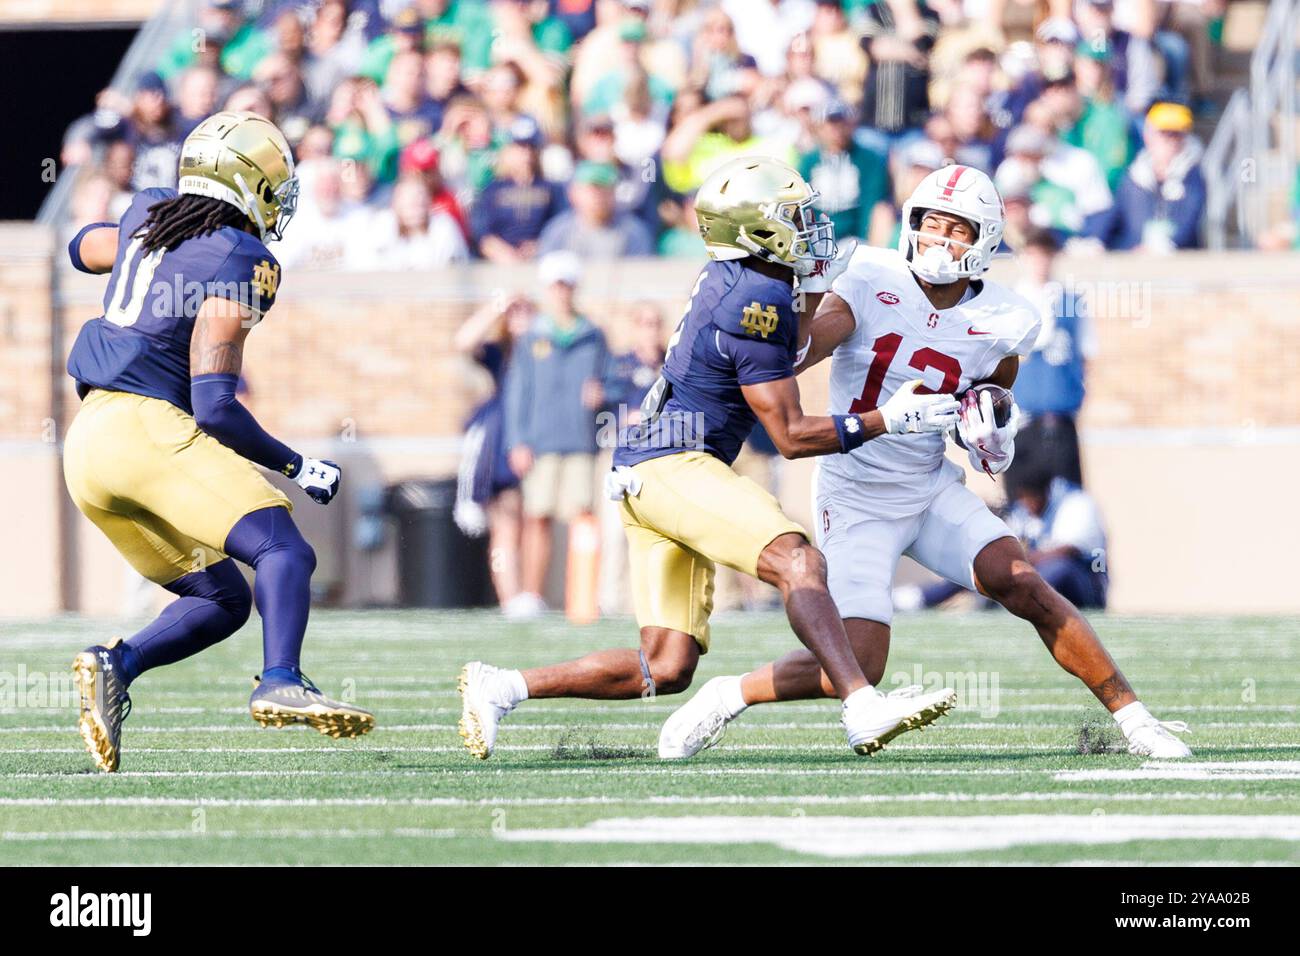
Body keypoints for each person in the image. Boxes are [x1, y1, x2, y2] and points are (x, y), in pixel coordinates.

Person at [659, 163, 1192, 762]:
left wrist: (991, 431)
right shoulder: (868, 276)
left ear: (985, 238)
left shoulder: (1007, 318)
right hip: (856, 493)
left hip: (930, 486)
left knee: (1024, 584)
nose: (939, 238)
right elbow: (802, 353)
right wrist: (808, 301)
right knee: (860, 664)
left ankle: (1136, 719)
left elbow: (989, 401)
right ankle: (730, 693)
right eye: (929, 223)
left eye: (955, 228)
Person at [458, 157, 966, 761]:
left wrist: (807, 290)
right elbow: (793, 436)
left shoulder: (747, 280)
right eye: (795, 217)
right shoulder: (756, 295)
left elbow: (789, 349)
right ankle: (861, 706)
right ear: (757, 229)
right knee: (797, 559)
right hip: (675, 464)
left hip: (650, 468)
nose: (809, 227)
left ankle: (503, 687)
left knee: (666, 666)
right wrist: (890, 418)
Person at [62, 111, 374, 773]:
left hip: (85, 446)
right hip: (147, 430)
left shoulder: (148, 211)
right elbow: (215, 406)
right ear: (249, 183)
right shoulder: (243, 257)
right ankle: (281, 678)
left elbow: (79, 249)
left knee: (223, 599)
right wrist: (296, 463)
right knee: (284, 549)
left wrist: (132, 242)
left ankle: (115, 667)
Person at [501, 252, 610, 619]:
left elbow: (612, 379)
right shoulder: (531, 337)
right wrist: (518, 440)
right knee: (538, 515)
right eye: (555, 285)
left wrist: (603, 393)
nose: (561, 292)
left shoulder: (594, 335)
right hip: (541, 440)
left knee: (582, 514)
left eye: (566, 285)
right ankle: (532, 594)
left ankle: (581, 595)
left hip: (580, 439)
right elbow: (518, 392)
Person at [1006, 227, 1093, 488]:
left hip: (1060, 420)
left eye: (1045, 254)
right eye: (1033, 254)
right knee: (1020, 510)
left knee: (1069, 505)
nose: (1039, 262)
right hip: (1020, 423)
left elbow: (1086, 354)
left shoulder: (1070, 302)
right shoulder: (1010, 303)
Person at [1005, 466, 1111, 610]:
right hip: (1045, 579)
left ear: (1045, 491)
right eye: (1023, 498)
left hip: (1087, 582)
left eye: (1031, 498)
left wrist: (1023, 560)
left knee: (1055, 569)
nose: (1027, 504)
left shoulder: (1076, 502)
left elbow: (1069, 550)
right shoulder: (1022, 510)